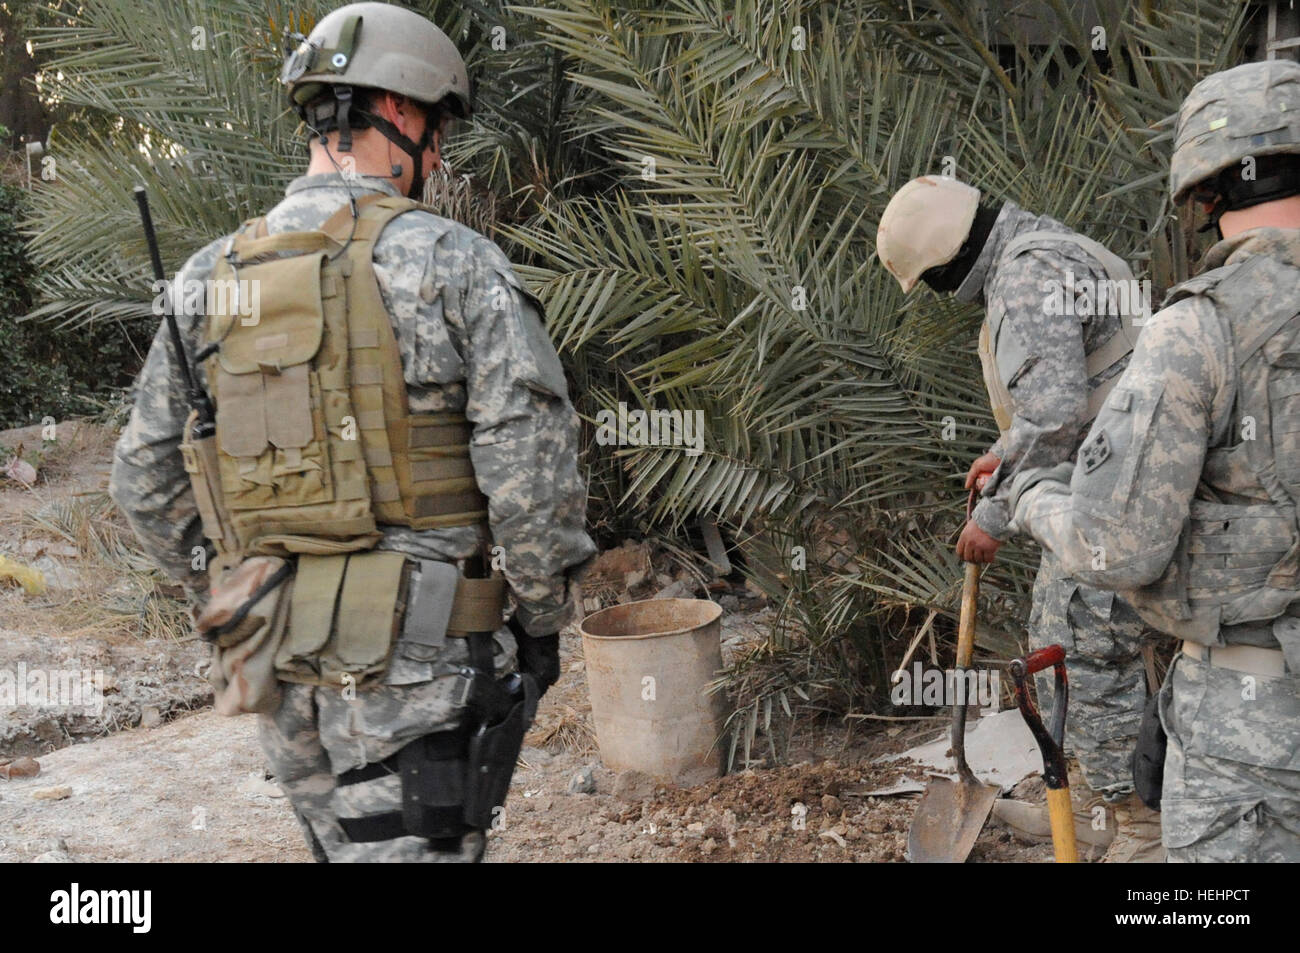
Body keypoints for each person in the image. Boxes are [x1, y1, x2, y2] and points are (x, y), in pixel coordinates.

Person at [110, 2, 595, 862]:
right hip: (419, 663)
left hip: (279, 660)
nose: (438, 155)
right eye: (437, 129)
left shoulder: (207, 275)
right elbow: (530, 473)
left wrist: (232, 593)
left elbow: (145, 481)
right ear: (401, 114)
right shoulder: (453, 262)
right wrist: (541, 619)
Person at [1009, 59, 1300, 862]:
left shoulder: (1198, 332)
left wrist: (1032, 493)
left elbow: (1117, 546)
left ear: (1204, 199)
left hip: (1256, 732)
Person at [877, 177, 1164, 860]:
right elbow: (1093, 375)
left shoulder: (1022, 278)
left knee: (1084, 652)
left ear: (948, 264)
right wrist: (1006, 453)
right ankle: (1093, 801)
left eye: (935, 282)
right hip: (1130, 474)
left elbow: (1058, 410)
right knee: (1059, 637)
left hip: (1118, 497)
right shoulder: (1052, 245)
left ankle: (1138, 830)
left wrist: (996, 514)